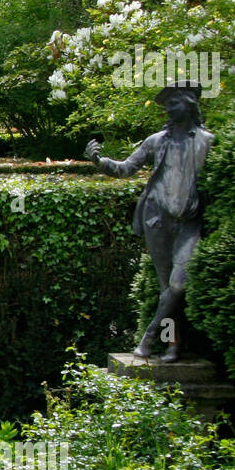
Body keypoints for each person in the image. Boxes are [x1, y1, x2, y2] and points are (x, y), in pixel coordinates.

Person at [86, 80, 214, 362]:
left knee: (178, 285)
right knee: (167, 287)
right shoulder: (156, 141)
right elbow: (126, 168)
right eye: (167, 103)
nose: (168, 108)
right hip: (156, 219)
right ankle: (173, 346)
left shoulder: (207, 142)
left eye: (174, 102)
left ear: (190, 104)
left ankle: (149, 337)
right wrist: (100, 162)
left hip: (189, 222)